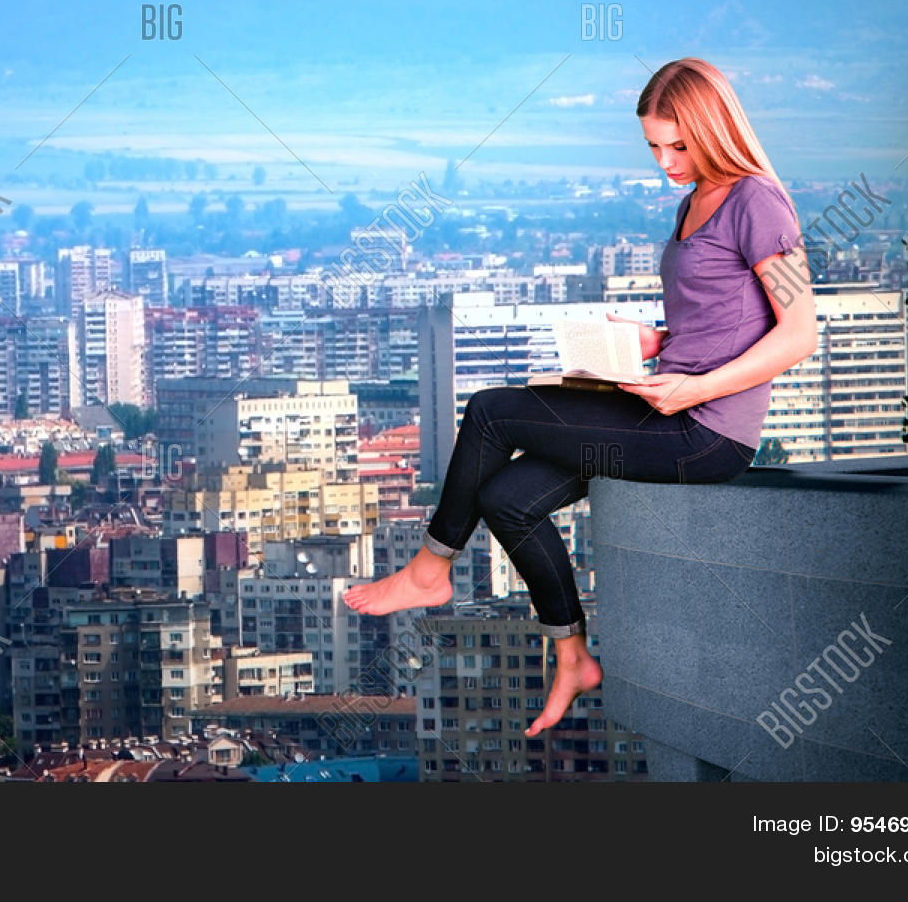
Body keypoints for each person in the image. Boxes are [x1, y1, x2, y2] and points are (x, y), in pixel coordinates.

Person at [343, 57, 817, 737]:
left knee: (490, 409)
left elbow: (799, 330)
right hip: (664, 405)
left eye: (678, 145)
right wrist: (654, 340)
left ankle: (429, 568)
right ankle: (572, 654)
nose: (665, 162)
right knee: (506, 498)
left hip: (706, 433)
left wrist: (697, 387)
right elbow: (721, 316)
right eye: (654, 146)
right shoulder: (696, 203)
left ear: (714, 129)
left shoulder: (757, 201)